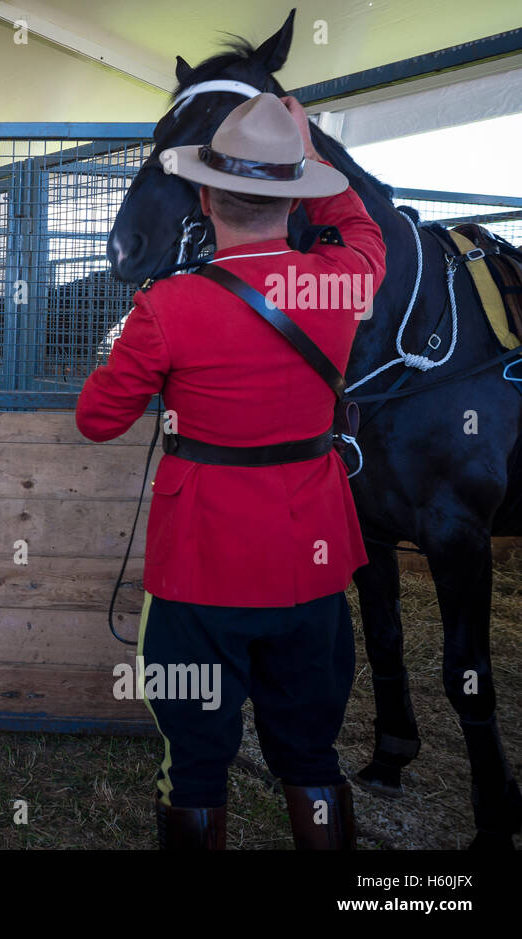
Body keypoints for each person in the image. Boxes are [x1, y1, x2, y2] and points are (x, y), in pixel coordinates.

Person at [76, 94, 386, 850]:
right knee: (312, 754)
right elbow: (365, 230)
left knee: (194, 766)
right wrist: (312, 158)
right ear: (295, 197)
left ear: (205, 195)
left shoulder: (167, 306)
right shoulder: (339, 284)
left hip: (199, 572)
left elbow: (97, 418)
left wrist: (124, 350)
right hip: (311, 564)